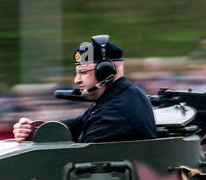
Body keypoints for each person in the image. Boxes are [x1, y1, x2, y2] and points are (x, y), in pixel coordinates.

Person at [13, 35, 159, 143]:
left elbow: (80, 154)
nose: (76, 80)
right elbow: (79, 124)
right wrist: (36, 130)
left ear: (106, 73)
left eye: (83, 72)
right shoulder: (116, 98)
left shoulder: (115, 113)